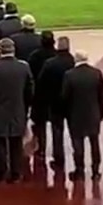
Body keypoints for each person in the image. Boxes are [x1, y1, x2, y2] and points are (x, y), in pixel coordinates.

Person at [0, 38, 33, 183]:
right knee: (16, 143)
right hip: (17, 109)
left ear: (0, 50)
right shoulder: (24, 67)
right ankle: (16, 173)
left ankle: (0, 172)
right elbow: (30, 90)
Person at [61, 50, 103, 181]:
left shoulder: (69, 75)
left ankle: (79, 170)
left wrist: (66, 113)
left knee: (78, 144)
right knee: (94, 143)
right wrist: (101, 113)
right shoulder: (96, 73)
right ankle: (96, 171)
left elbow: (65, 97)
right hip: (93, 114)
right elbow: (101, 95)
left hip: (76, 115)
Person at [34, 35, 75, 167]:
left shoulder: (50, 63)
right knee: (74, 132)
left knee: (57, 131)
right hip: (70, 102)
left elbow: (41, 82)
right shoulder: (72, 61)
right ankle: (77, 159)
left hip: (54, 101)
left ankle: (59, 159)